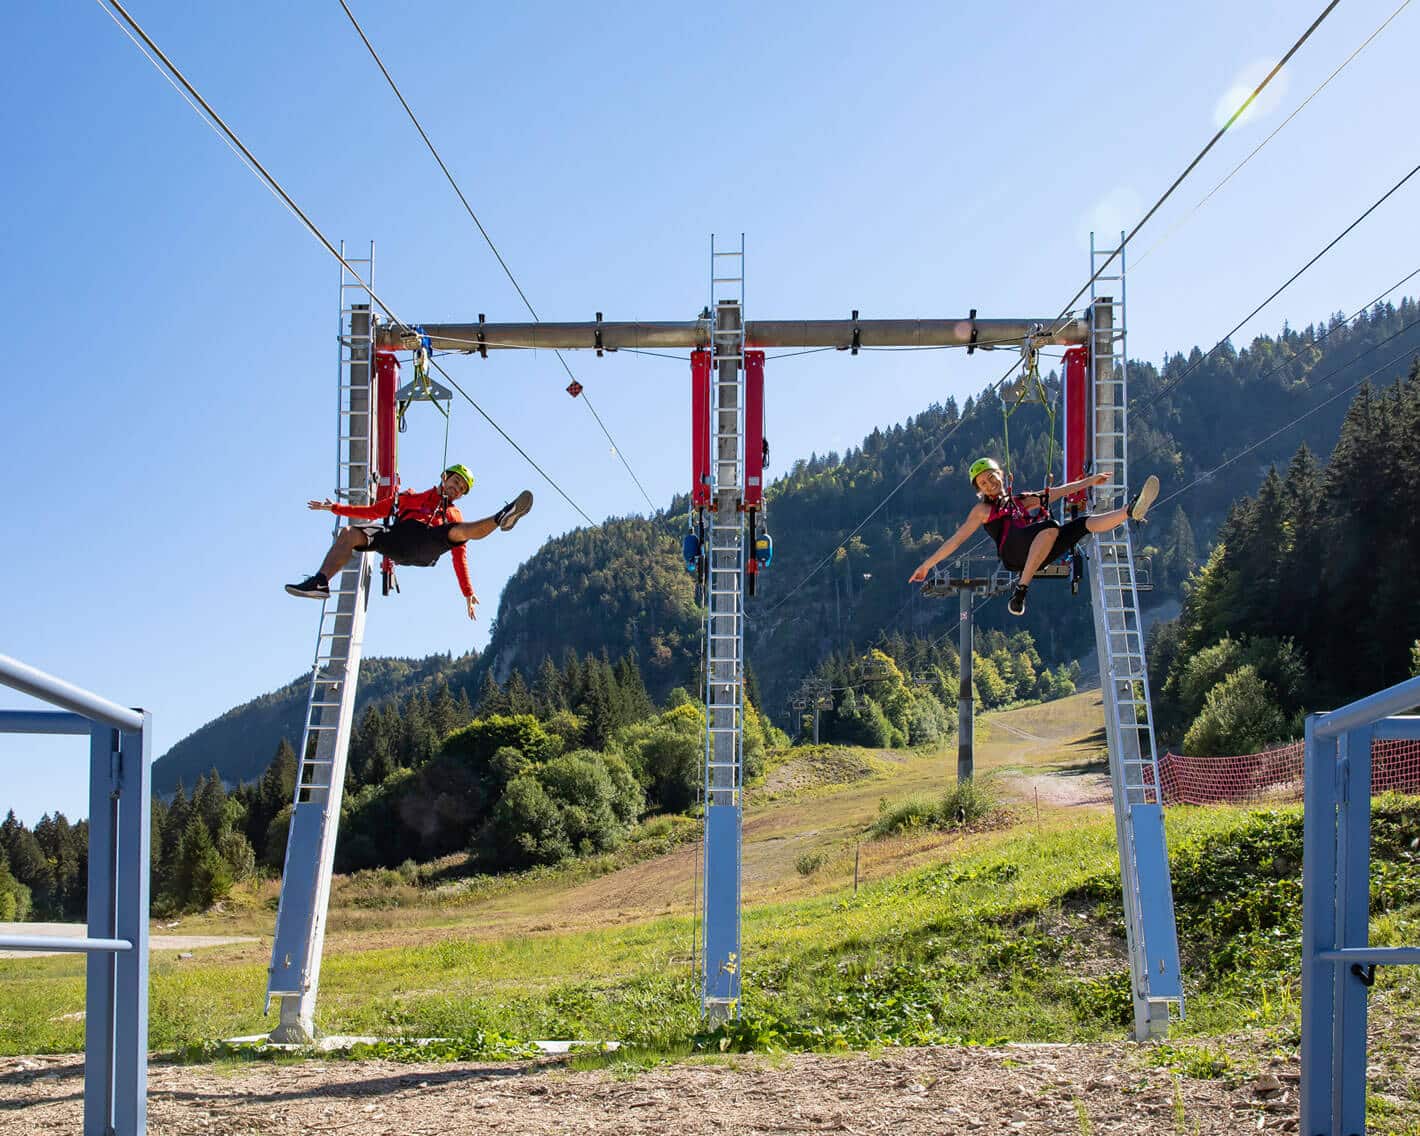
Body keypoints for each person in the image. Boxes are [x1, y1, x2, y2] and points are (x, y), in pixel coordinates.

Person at [908, 457, 1159, 617]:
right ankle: (1021, 590)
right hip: (1013, 554)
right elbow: (957, 539)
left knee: (1083, 524)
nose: (990, 483)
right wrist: (927, 565)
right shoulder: (983, 511)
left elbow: (1058, 492)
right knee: (1050, 526)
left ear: (1001, 474)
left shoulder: (1021, 500)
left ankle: (1129, 511)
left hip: (1038, 552)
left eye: (991, 476)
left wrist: (1090, 481)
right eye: (983, 483)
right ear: (980, 490)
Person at [285, 463, 532, 621]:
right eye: (455, 483)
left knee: (459, 532)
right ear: (445, 477)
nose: (456, 489)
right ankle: (320, 583)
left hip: (427, 546)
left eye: (461, 490)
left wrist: (468, 592)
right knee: (349, 533)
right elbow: (372, 512)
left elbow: (460, 558)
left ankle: (502, 517)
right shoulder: (409, 497)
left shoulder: (453, 514)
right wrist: (335, 508)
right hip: (399, 540)